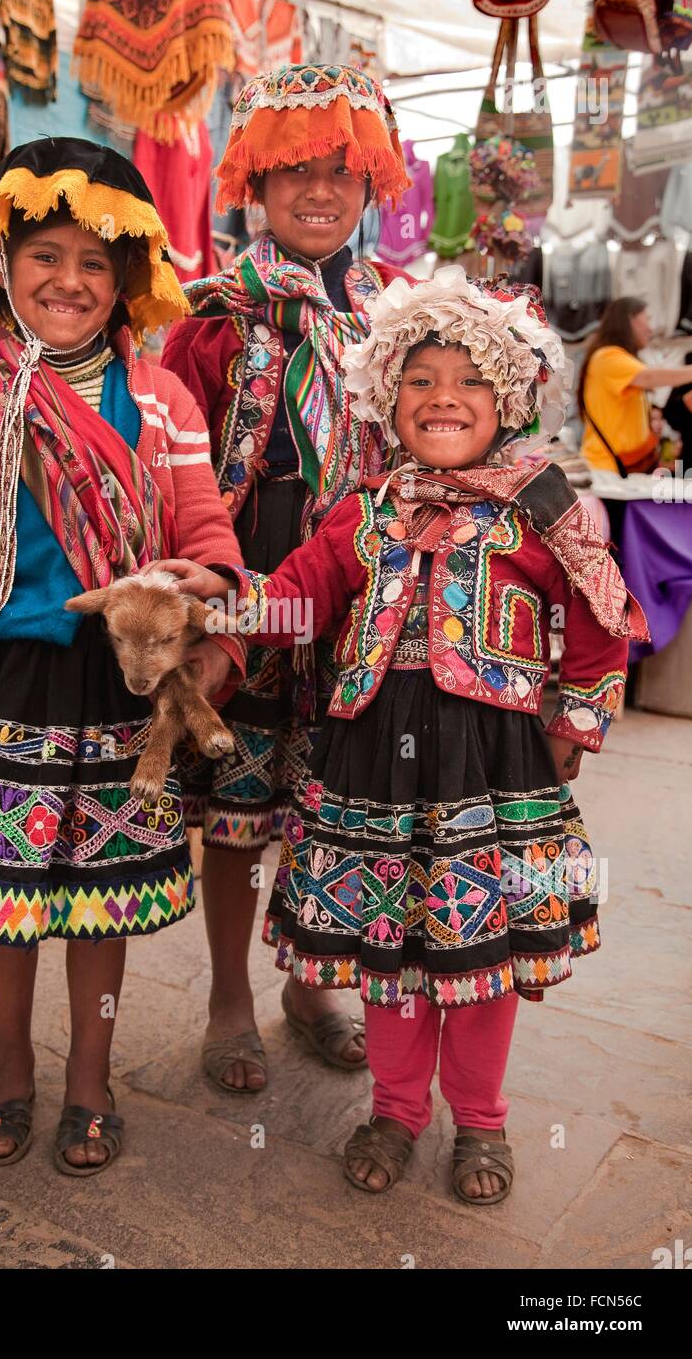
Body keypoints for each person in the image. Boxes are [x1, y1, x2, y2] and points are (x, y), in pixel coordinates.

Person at [152, 266, 649, 1203]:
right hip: (373, 764)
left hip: (493, 766)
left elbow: (602, 618)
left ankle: (483, 1125)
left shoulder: (544, 503)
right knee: (388, 946)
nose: (444, 398)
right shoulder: (363, 509)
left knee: (481, 954)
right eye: (420, 380)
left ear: (507, 397)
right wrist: (232, 598)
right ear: (387, 396)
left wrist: (576, 722)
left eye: (469, 380)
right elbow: (301, 599)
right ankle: (395, 1109)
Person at [0, 138, 245, 1176]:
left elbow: (211, 540)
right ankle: (8, 1074)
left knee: (99, 898)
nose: (69, 281)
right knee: (3, 896)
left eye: (95, 263)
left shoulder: (161, 403)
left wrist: (194, 581)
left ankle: (89, 1079)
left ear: (126, 280)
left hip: (121, 685)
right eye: (45, 254)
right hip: (3, 683)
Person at [161, 63, 410, 1093]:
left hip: (362, 608)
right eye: (295, 173)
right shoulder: (208, 318)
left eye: (341, 174)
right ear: (254, 188)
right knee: (237, 809)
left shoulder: (400, 321)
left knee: (337, 804)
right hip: (245, 598)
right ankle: (228, 998)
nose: (319, 193)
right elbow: (171, 465)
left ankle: (313, 980)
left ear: (368, 187)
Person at [578, 297, 687, 475]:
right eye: (647, 319)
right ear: (629, 319)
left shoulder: (617, 358)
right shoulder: (607, 357)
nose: (651, 328)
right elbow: (649, 377)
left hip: (620, 469)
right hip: (609, 470)